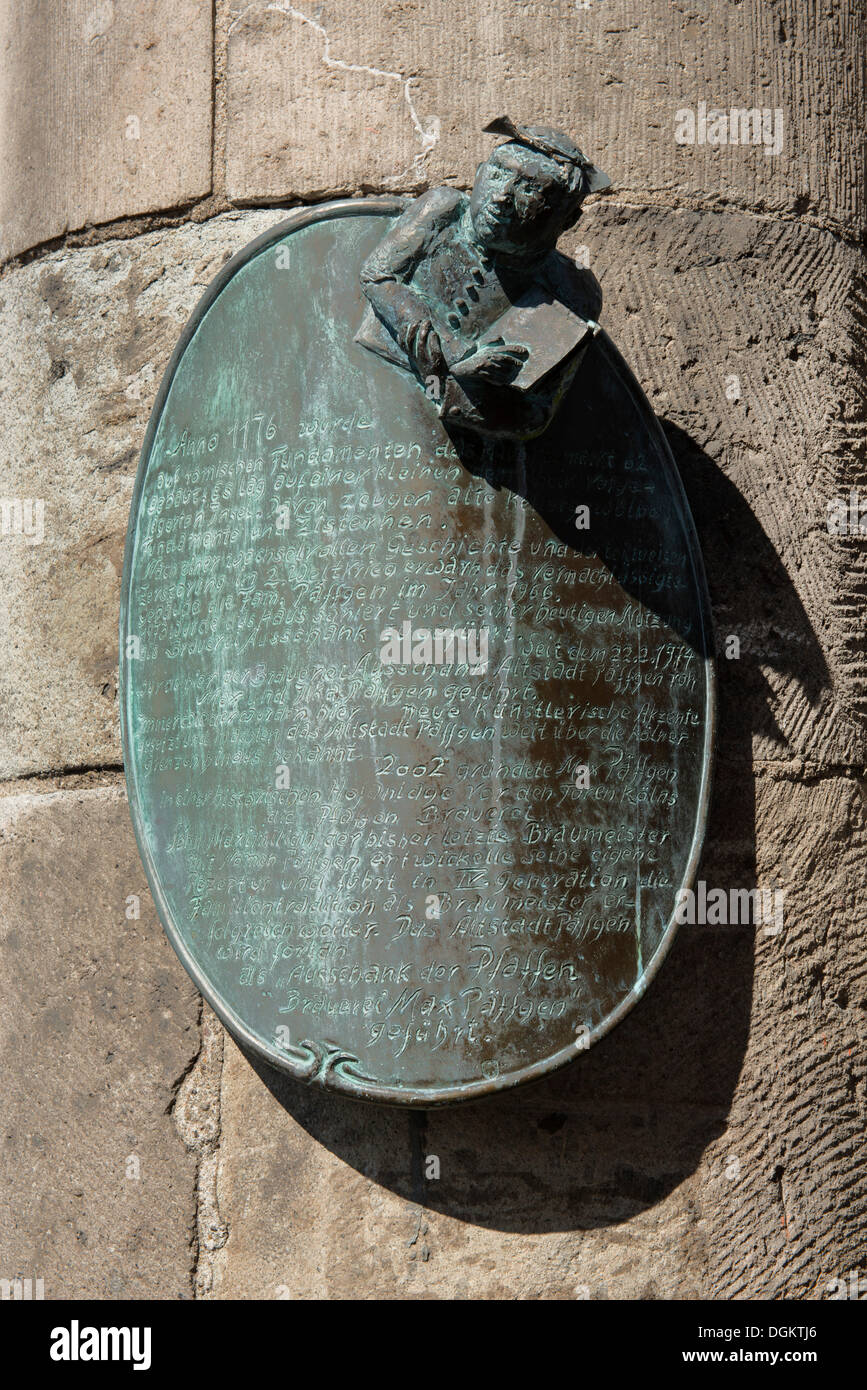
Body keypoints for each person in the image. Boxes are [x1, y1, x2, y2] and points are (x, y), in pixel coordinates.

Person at [358, 116, 610, 439]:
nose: (502, 196)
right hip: (373, 385)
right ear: (479, 172)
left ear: (568, 219)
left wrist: (459, 388)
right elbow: (377, 277)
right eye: (499, 172)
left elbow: (534, 414)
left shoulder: (573, 293)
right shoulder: (441, 209)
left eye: (530, 189)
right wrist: (455, 355)